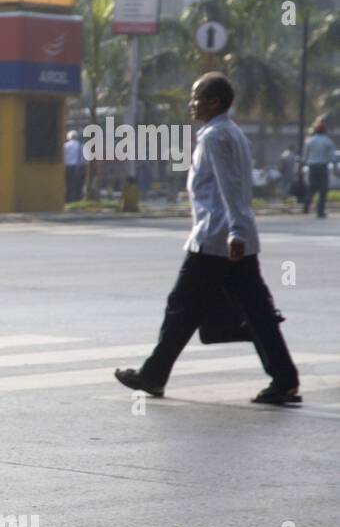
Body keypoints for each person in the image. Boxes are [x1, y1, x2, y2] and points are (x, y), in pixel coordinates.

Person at [115, 73, 300, 406]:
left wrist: (236, 232)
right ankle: (280, 374)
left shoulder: (216, 137)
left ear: (214, 102)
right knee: (242, 313)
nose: (192, 102)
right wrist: (240, 231)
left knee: (181, 307)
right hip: (228, 237)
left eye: (197, 96)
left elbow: (230, 188)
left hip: (216, 239)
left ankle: (154, 375)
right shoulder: (232, 133)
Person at [301, 119, 334, 218]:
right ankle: (320, 211)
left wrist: (304, 164)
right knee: (323, 190)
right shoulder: (328, 141)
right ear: (324, 131)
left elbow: (305, 155)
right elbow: (331, 156)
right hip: (323, 166)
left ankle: (306, 206)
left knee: (312, 188)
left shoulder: (309, 141)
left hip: (312, 166)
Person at [63, 129, 86, 203]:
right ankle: (76, 200)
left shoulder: (65, 146)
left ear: (68, 137)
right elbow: (84, 159)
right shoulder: (81, 146)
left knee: (68, 184)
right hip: (78, 167)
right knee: (77, 185)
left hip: (67, 167)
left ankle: (68, 199)